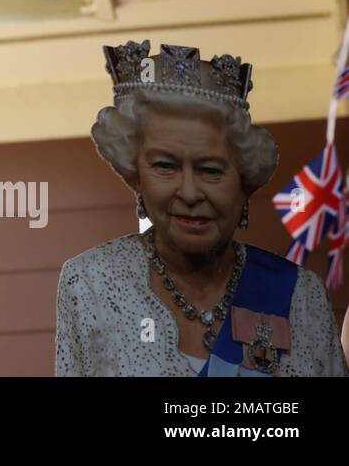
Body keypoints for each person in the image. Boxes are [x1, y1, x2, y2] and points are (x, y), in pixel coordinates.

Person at [55, 40, 348, 376]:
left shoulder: (303, 298)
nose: (190, 193)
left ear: (244, 180)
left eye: (211, 170)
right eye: (165, 166)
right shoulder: (90, 283)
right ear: (136, 176)